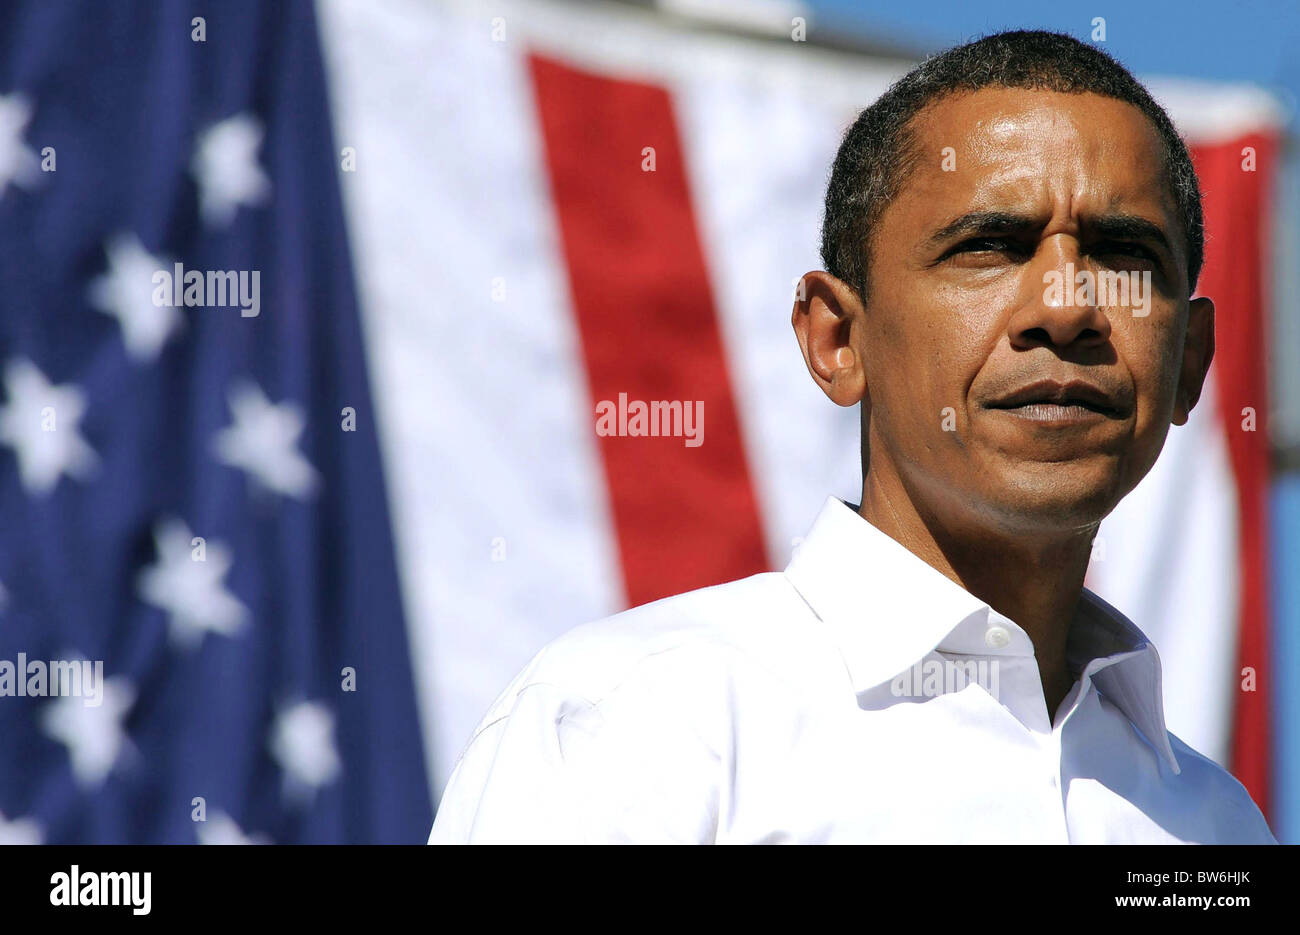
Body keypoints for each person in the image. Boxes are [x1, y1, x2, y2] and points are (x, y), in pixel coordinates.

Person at [428, 29, 1276, 844]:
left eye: (1125, 255)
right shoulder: (636, 727)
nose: (1065, 309)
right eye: (989, 246)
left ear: (1189, 362)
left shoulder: (1215, 826)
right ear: (837, 340)